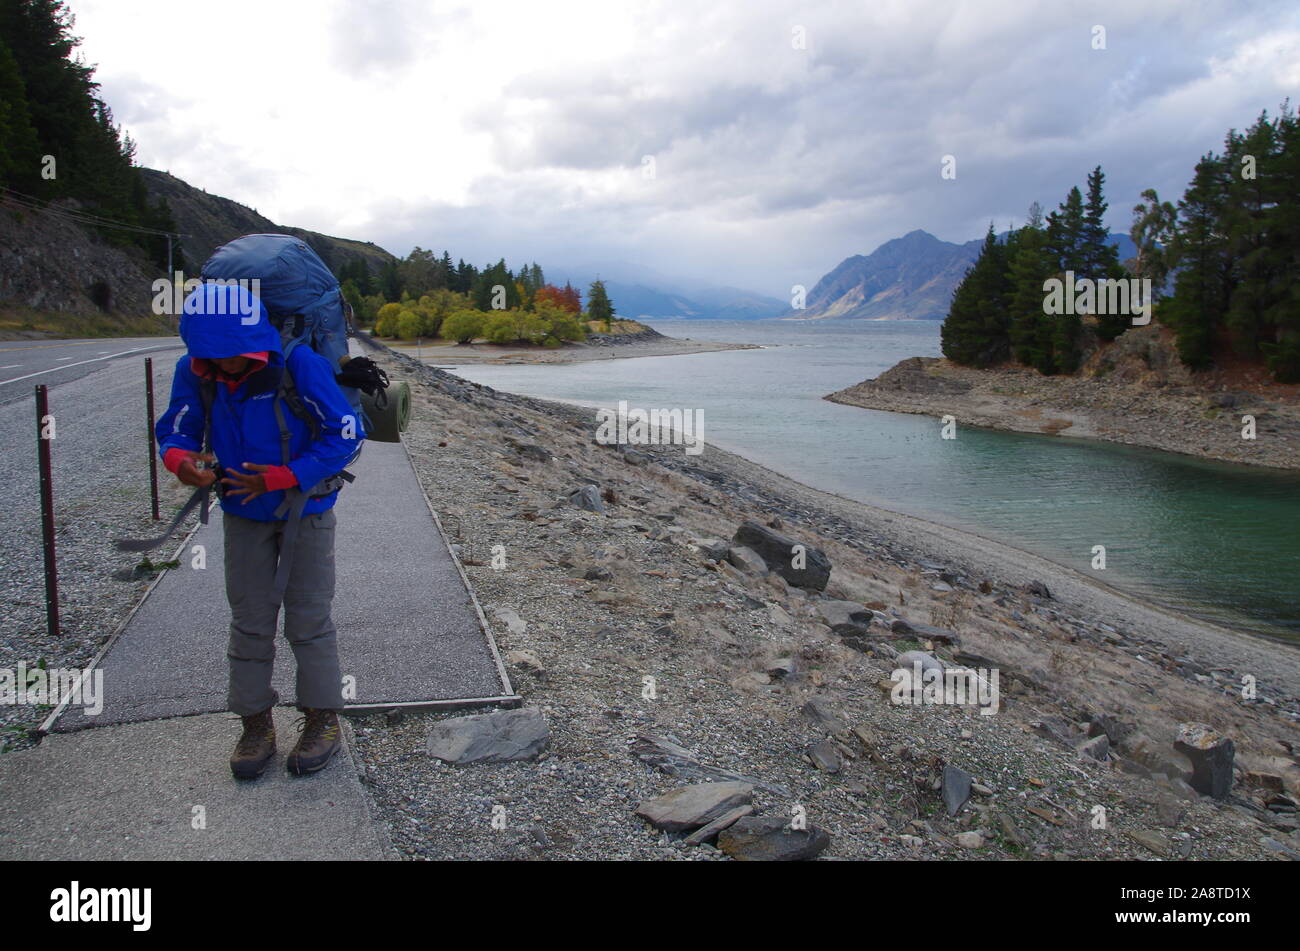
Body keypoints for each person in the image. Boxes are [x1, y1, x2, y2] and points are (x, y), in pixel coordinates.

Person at [156, 281, 364, 779]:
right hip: (243, 514)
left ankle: (322, 720)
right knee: (249, 621)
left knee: (309, 620)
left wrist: (285, 476)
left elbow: (345, 434)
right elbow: (178, 426)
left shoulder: (298, 365)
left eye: (235, 355)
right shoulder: (195, 369)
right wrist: (180, 460)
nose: (226, 366)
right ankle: (256, 726)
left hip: (306, 511)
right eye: (214, 356)